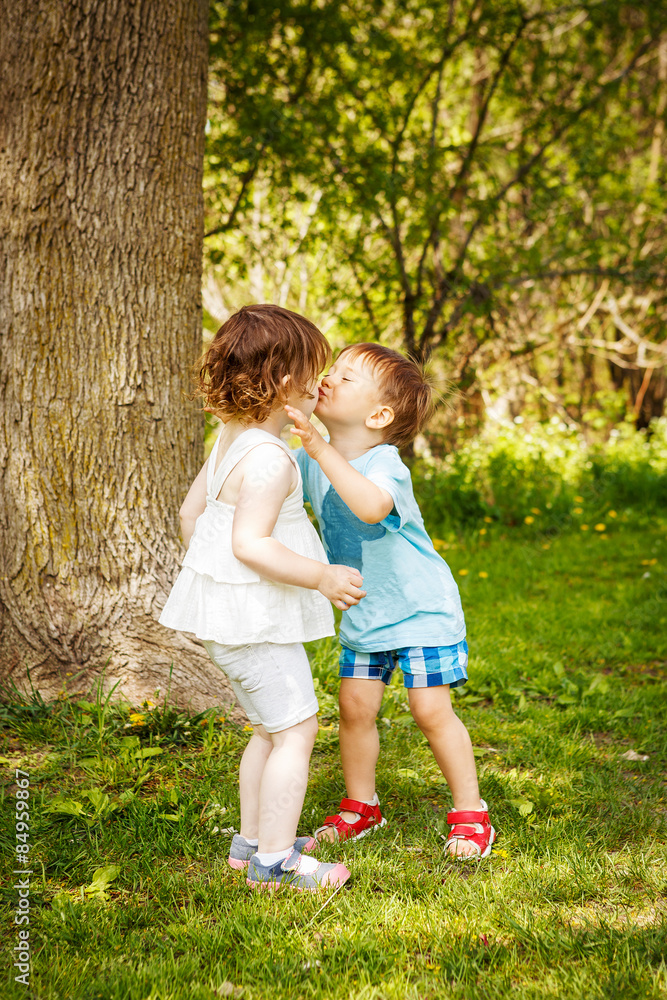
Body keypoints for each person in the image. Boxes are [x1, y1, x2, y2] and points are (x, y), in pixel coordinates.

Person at [159, 304, 365, 890]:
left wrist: (214, 578)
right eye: (313, 373)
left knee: (267, 729)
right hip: (253, 623)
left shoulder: (232, 439)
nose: (320, 384)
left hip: (231, 618)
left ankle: (250, 841)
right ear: (282, 383)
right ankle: (275, 862)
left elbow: (190, 515)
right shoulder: (270, 461)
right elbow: (250, 545)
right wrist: (321, 576)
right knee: (297, 730)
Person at [285, 342, 496, 859]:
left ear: (380, 415)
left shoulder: (385, 462)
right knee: (355, 709)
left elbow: (373, 506)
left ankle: (472, 813)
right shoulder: (306, 458)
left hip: (420, 610)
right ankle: (362, 806)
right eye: (331, 371)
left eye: (347, 377)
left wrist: (318, 448)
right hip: (366, 613)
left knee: (430, 711)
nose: (329, 378)